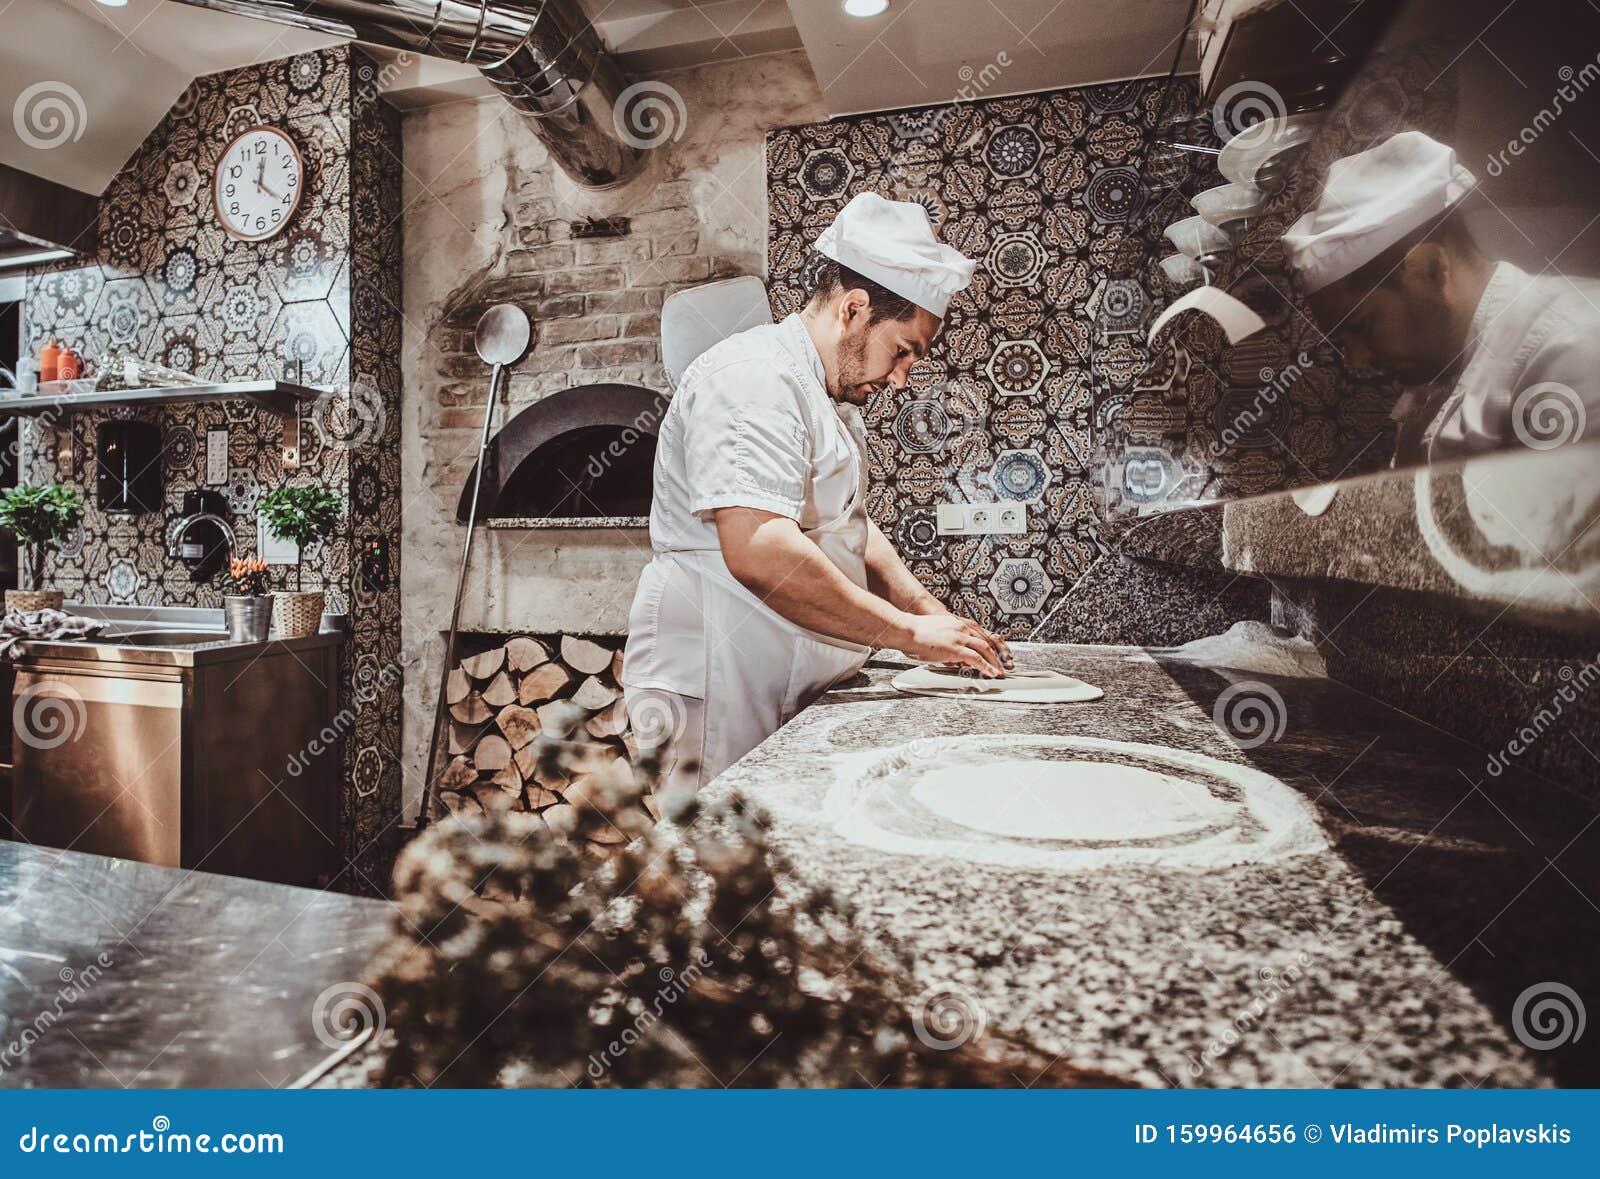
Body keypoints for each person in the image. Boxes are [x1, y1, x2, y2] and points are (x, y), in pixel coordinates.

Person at [622, 192, 1012, 793]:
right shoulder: (753, 378)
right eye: (903, 351)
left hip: (776, 671)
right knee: (713, 867)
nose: (902, 377)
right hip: (717, 671)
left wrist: (936, 619)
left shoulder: (819, 390)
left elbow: (848, 531)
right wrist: (908, 636)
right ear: (854, 310)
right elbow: (760, 549)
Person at [1283, 130, 1600, 463]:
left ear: (1429, 269)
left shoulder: (1574, 351)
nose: (1358, 359)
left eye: (1362, 327)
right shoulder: (1442, 365)